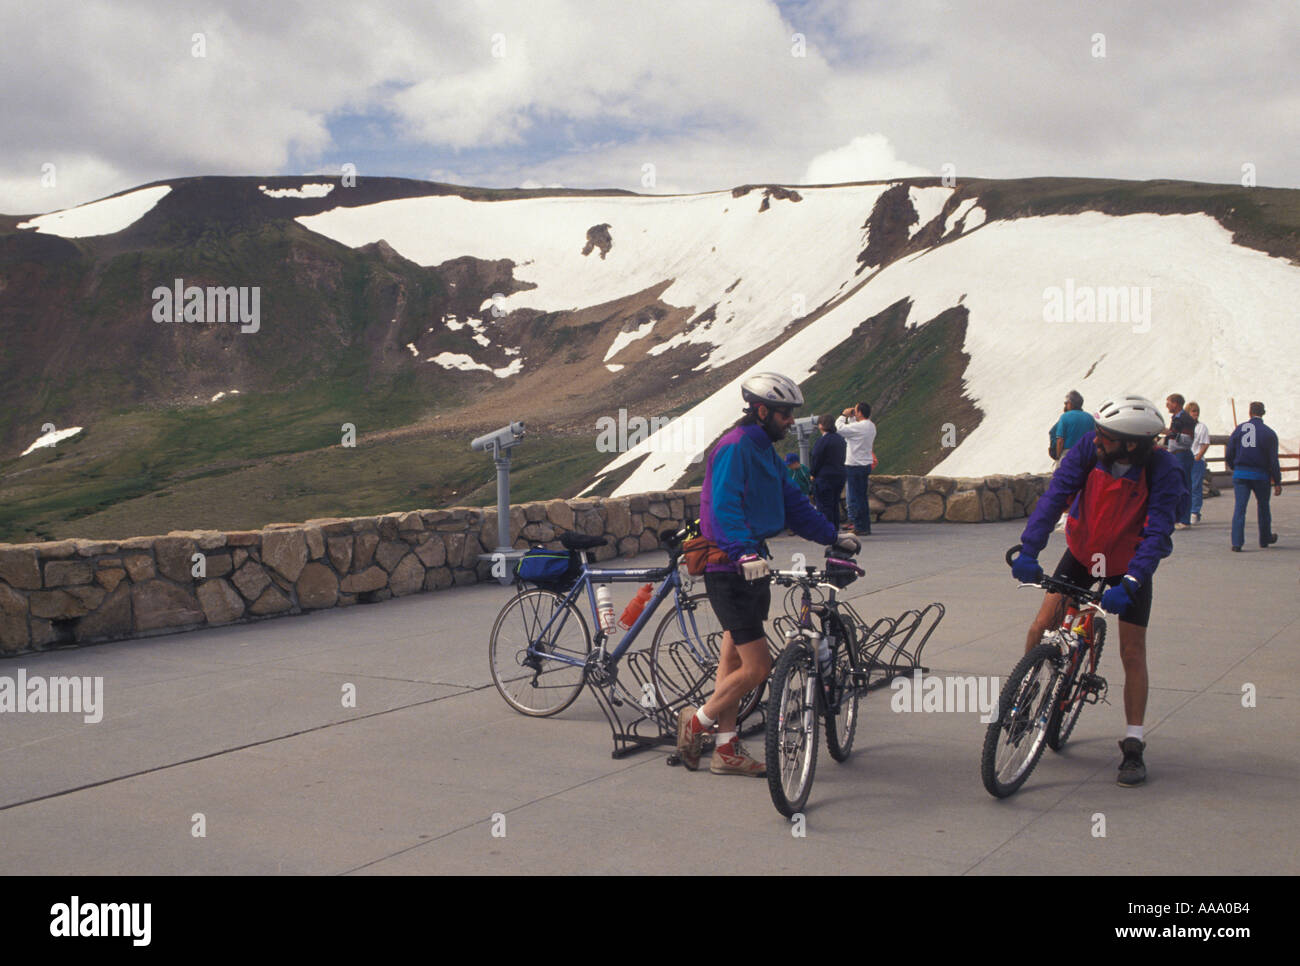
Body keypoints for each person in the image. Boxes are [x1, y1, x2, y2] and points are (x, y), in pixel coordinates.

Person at [677, 373, 858, 776]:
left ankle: (726, 751)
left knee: (732, 659)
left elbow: (792, 503)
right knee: (759, 668)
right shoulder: (735, 447)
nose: (791, 422)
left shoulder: (763, 451)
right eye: (785, 414)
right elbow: (720, 507)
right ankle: (695, 723)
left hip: (750, 563)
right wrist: (741, 552)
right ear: (762, 411)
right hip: (730, 566)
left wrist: (833, 536)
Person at [1010, 394, 1187, 787]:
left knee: (1132, 650)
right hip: (1082, 552)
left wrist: (1133, 582)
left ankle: (1134, 745)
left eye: (1105, 434)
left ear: (1130, 443)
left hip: (1129, 565)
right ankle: (1023, 697)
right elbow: (1054, 498)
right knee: (1043, 625)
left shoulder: (1163, 470)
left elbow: (1158, 532)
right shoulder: (1088, 452)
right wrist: (1029, 548)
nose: (1096, 438)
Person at [1225, 401, 1283, 552]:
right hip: (1260, 475)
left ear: (1249, 412)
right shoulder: (1269, 433)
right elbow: (1273, 460)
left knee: (1240, 508)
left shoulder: (1239, 429)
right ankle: (1264, 539)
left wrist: (1234, 466)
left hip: (1241, 473)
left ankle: (1237, 543)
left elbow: (1229, 452)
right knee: (1263, 506)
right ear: (1263, 413)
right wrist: (1277, 481)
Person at [836, 403, 876, 535]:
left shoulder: (859, 427)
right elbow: (852, 433)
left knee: (855, 498)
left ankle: (860, 527)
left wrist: (843, 415)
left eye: (855, 409)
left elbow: (839, 429)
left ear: (859, 412)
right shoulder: (870, 426)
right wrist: (852, 418)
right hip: (865, 465)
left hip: (855, 466)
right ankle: (864, 525)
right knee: (862, 497)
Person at [1163, 394, 1196, 529]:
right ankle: (1177, 516)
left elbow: (1188, 439)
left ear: (1176, 404)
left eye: (1169, 403)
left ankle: (1184, 519)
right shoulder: (1176, 418)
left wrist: (1170, 434)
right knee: (1175, 486)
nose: (1167, 406)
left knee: (1184, 486)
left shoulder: (1185, 419)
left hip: (1182, 455)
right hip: (1175, 454)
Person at [810, 413, 847, 532]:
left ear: (821, 425)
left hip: (825, 477)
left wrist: (813, 473)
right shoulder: (840, 439)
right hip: (840, 475)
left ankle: (826, 530)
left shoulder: (823, 441)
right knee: (834, 504)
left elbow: (816, 458)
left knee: (824, 505)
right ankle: (834, 528)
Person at [1053, 390, 1096, 465]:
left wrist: (1058, 456)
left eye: (1066, 403)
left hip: (1069, 453)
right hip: (1087, 454)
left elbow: (1060, 440)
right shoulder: (1090, 417)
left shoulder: (1064, 417)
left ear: (1071, 403)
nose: (1065, 405)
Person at [1187, 401, 1210, 524]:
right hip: (1185, 458)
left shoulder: (1201, 427)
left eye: (1197, 412)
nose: (1195, 414)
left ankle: (1194, 511)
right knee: (1185, 486)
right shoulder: (1184, 427)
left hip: (1196, 459)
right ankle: (1185, 511)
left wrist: (1198, 456)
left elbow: (1205, 443)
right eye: (1193, 411)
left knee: (1195, 486)